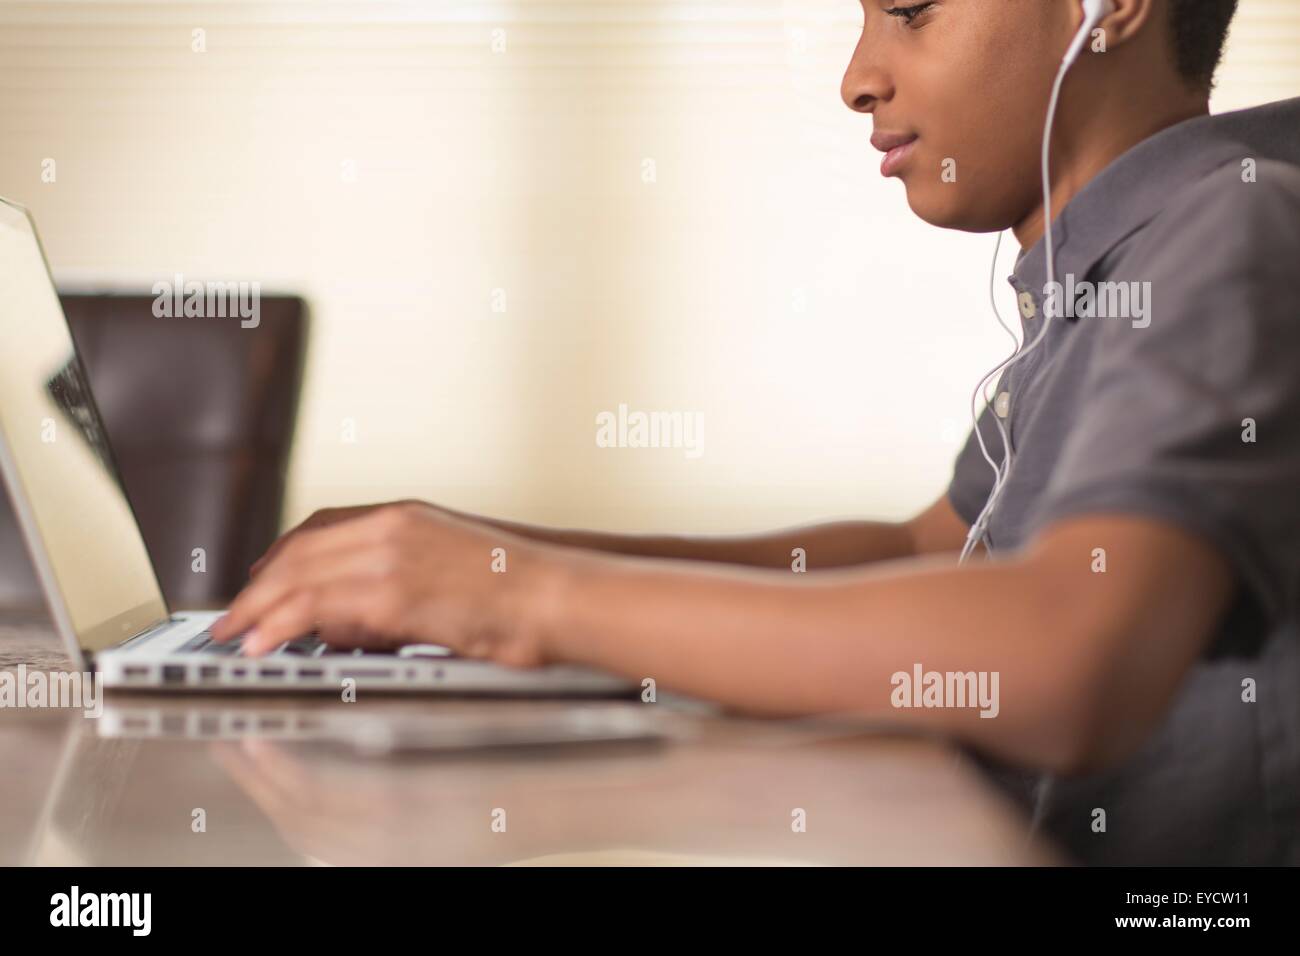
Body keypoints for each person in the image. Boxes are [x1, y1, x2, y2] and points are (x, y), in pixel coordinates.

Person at [212, 0, 1300, 863]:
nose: (856, 77)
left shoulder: (1232, 228)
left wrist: (518, 597)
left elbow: (1070, 653)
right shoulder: (1112, 271)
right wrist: (464, 555)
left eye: (910, 11)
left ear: (1113, 9)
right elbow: (929, 545)